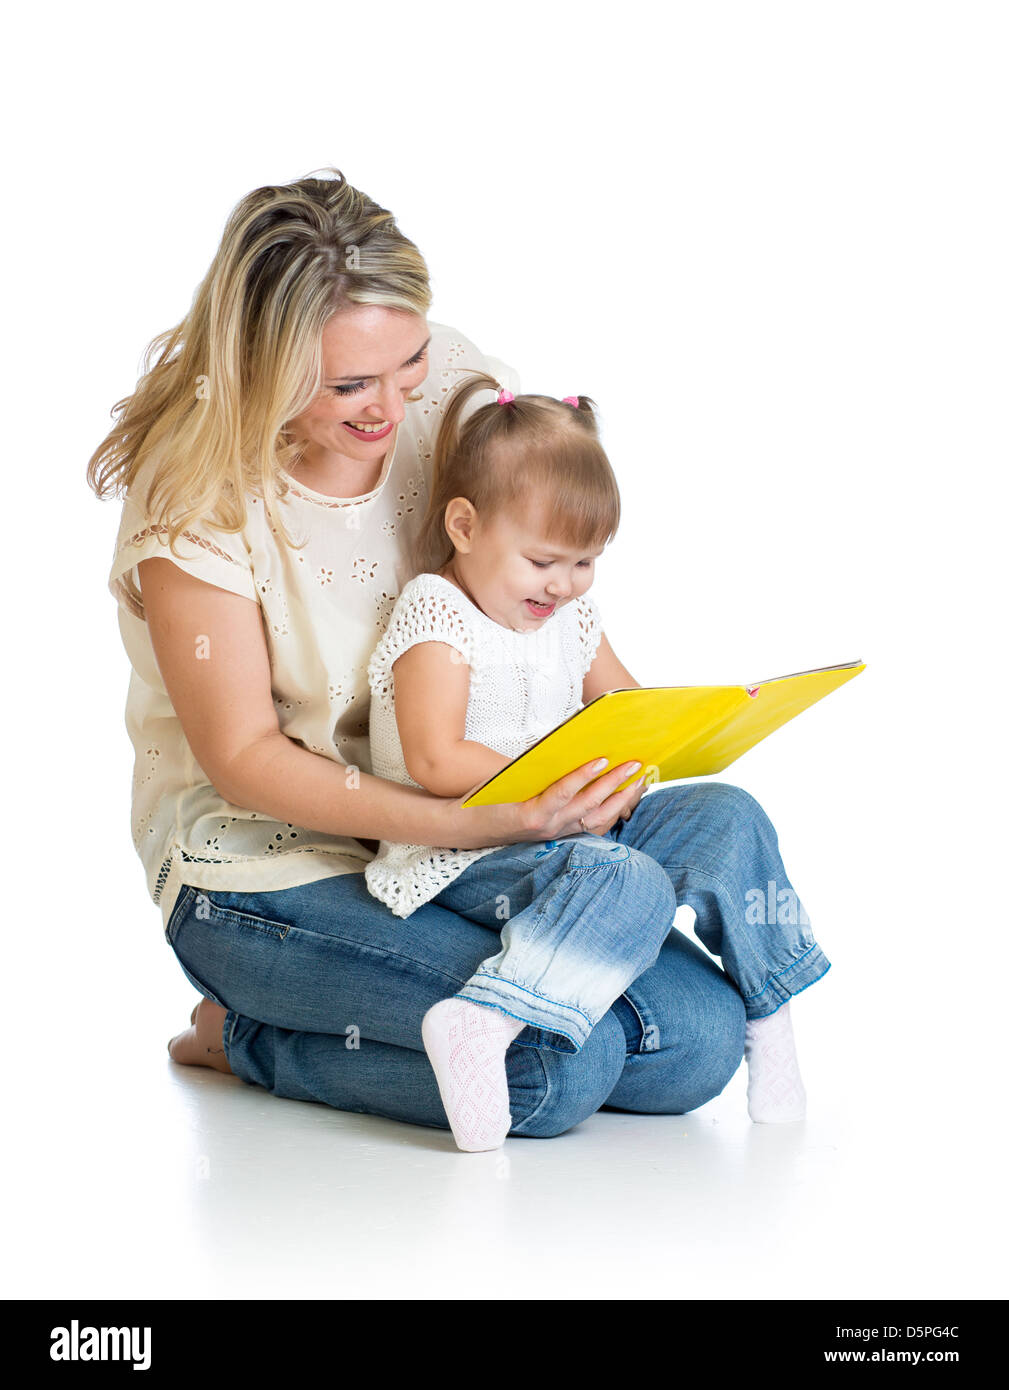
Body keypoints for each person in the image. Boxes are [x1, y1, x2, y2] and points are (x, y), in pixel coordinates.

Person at [87, 167, 816, 1143]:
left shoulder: (453, 390)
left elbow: (543, 570)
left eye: (408, 362)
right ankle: (251, 1034)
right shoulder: (197, 497)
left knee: (695, 1041)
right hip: (277, 870)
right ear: (263, 365)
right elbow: (247, 761)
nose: (390, 407)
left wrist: (642, 730)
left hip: (474, 828)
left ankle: (434, 1012)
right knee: (555, 1066)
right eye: (348, 384)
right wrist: (484, 817)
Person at [364, 373, 830, 1149]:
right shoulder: (437, 612)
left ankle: (768, 1012)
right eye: (544, 560)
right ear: (465, 525)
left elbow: (624, 709)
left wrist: (705, 718)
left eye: (584, 563)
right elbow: (436, 758)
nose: (563, 585)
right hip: (466, 850)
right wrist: (555, 791)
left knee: (730, 817)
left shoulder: (571, 613)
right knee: (625, 878)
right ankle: (486, 1019)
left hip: (569, 830)